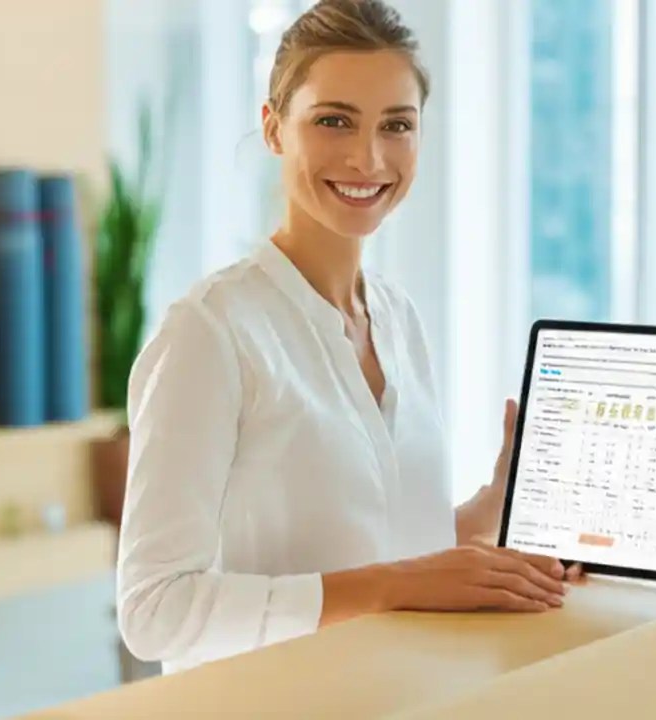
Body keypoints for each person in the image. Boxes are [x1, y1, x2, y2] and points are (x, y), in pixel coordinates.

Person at [116, 0, 583, 675]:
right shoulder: (210, 332)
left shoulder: (398, 319)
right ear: (274, 128)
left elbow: (376, 553)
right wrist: (397, 586)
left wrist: (487, 511)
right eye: (333, 120)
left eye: (397, 125)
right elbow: (154, 612)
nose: (368, 157)